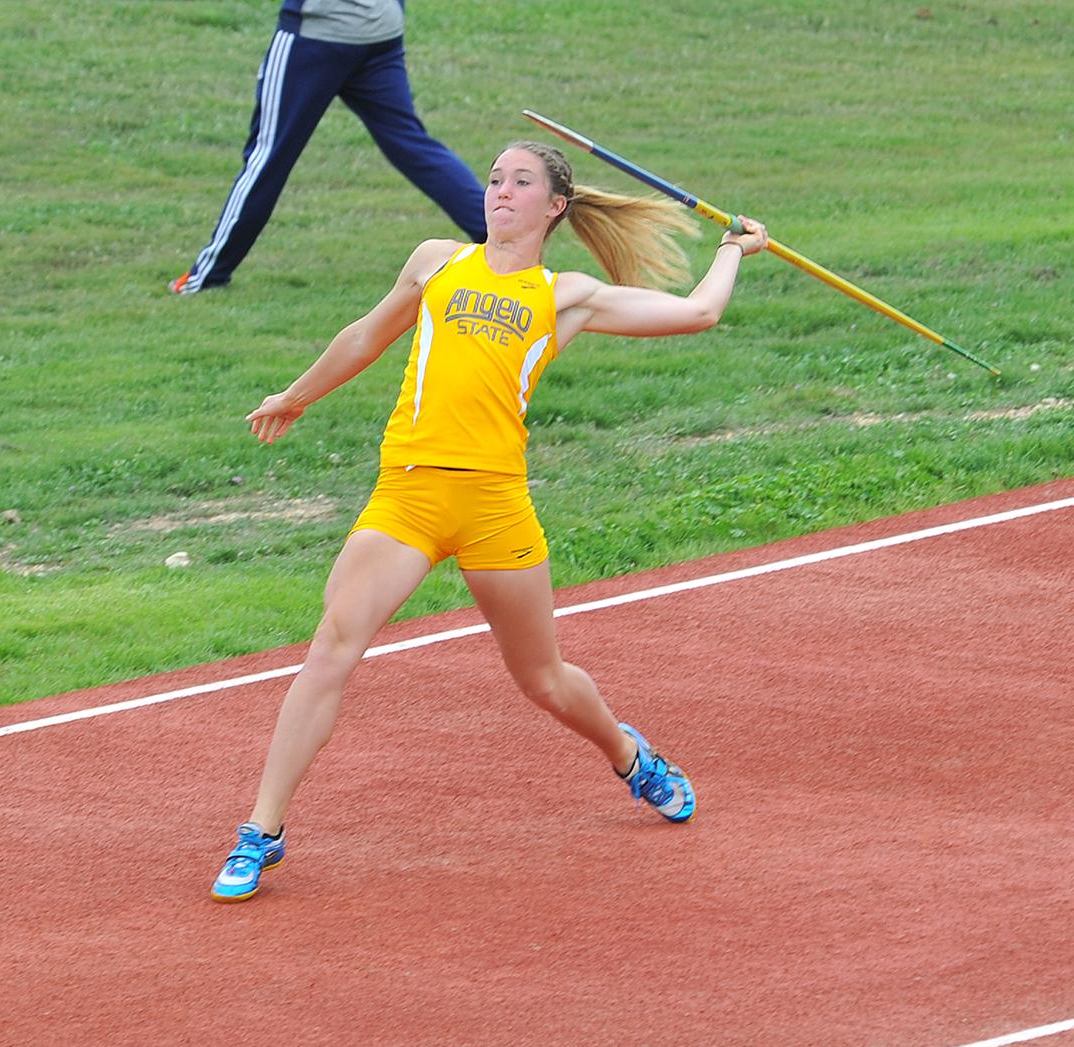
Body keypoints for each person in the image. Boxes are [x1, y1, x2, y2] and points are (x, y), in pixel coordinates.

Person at [212, 138, 769, 902]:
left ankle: (628, 754)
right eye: (496, 179)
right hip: (407, 493)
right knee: (333, 647)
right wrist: (297, 394)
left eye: (521, 182)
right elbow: (367, 335)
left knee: (541, 678)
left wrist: (736, 249)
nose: (500, 191)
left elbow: (699, 312)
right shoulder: (437, 260)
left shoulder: (568, 294)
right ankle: (261, 830)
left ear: (554, 207)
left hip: (495, 505)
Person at [168, 0, 487, 295]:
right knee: (413, 146)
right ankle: (495, 233)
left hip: (316, 33)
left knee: (267, 159)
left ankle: (208, 276)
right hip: (381, 28)